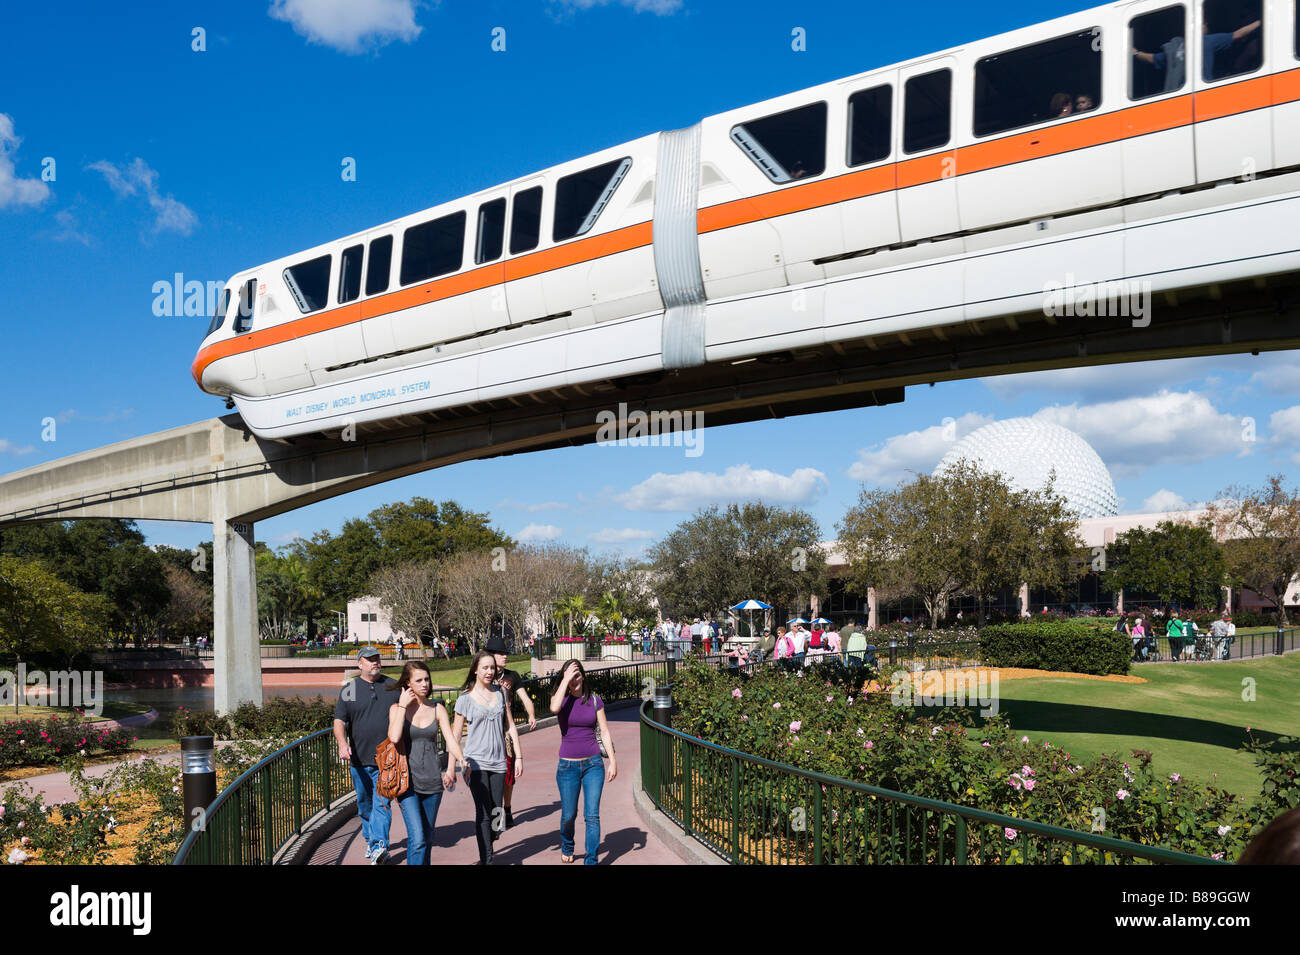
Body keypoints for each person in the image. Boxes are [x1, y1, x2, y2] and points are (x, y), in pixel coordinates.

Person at [452, 651, 523, 865]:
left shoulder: (501, 693)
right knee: (483, 812)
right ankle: (487, 859)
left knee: (497, 811)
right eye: (485, 668)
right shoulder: (465, 698)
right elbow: (454, 735)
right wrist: (451, 766)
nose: (490, 672)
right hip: (475, 763)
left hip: (499, 761)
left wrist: (518, 757)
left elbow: (510, 725)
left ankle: (492, 837)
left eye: (492, 668)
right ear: (475, 669)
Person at [388, 661, 462, 865]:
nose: (424, 684)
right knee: (418, 838)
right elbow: (394, 737)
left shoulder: (437, 709)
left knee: (426, 839)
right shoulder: (396, 708)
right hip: (407, 784)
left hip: (432, 783)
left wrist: (462, 761)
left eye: (426, 679)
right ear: (407, 683)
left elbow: (450, 740)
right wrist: (403, 704)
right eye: (418, 680)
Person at [333, 646, 402, 864]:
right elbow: (339, 721)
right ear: (359, 664)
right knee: (365, 804)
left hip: (387, 761)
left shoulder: (392, 686)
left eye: (377, 659)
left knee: (382, 804)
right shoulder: (349, 689)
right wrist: (342, 743)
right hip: (359, 761)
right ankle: (370, 838)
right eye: (370, 659)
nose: (375, 662)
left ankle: (379, 846)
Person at [549, 659, 616, 864]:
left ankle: (591, 859)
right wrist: (565, 680)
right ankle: (568, 844)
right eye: (570, 676)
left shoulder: (595, 701)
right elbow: (553, 708)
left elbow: (604, 731)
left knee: (592, 815)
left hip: (593, 764)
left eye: (577, 675)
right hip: (567, 766)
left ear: (583, 676)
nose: (574, 680)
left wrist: (612, 760)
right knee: (569, 815)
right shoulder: (561, 699)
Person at [486, 635, 536, 830]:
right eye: (501, 653)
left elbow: (524, 698)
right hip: (487, 735)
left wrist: (531, 714)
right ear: (491, 655)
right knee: (491, 778)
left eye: (506, 653)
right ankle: (495, 819)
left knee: (507, 777)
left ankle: (506, 808)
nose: (505, 656)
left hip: (506, 733)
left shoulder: (512, 676)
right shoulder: (482, 676)